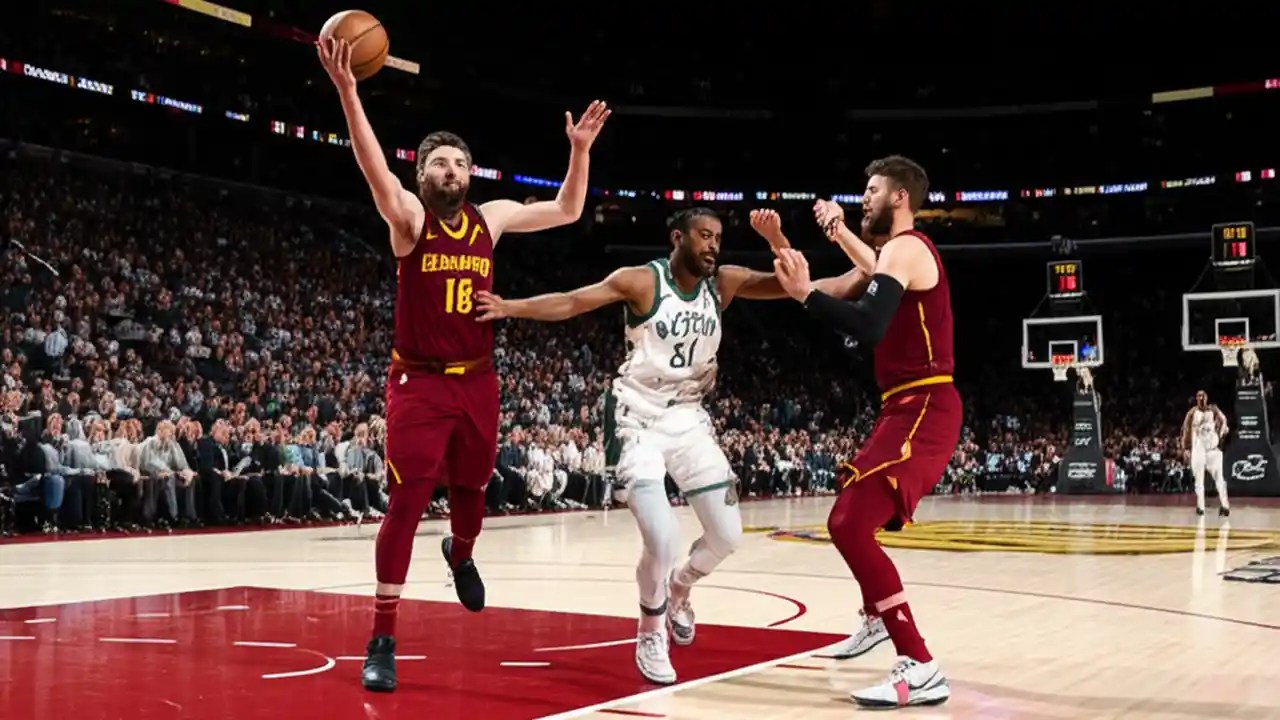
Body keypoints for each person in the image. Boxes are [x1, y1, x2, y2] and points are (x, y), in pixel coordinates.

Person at [316, 37, 611, 693]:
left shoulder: (494, 217)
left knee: (474, 494)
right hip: (417, 383)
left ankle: (461, 552)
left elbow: (566, 210)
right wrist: (348, 92)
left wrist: (579, 152)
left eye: (459, 163)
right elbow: (372, 171)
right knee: (406, 502)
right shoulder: (409, 219)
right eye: (439, 163)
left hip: (478, 381)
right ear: (420, 175)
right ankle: (383, 635)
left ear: (470, 175)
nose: (451, 171)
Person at [475, 207, 861, 684]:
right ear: (677, 237)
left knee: (728, 536)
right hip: (635, 418)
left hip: (688, 419)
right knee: (662, 538)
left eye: (718, 237)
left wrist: (786, 239)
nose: (713, 245)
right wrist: (511, 306)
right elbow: (574, 301)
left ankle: (679, 588)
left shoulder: (725, 283)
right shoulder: (641, 281)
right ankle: (650, 630)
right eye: (704, 235)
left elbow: (801, 285)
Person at [770, 155, 960, 708]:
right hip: (905, 406)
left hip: (925, 403)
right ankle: (877, 617)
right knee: (851, 518)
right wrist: (838, 233)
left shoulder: (909, 247)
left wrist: (807, 294)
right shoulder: (896, 255)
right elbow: (873, 263)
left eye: (872, 190)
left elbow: (870, 324)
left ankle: (920, 663)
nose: (864, 197)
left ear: (900, 197)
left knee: (849, 522)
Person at [1181, 390, 1230, 517]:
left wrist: (1221, 433)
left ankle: (1225, 505)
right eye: (1199, 396)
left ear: (1207, 398)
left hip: (1213, 449)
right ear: (1196, 398)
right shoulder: (1192, 413)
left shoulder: (1213, 410)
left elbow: (1224, 421)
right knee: (1199, 480)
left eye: (1203, 396)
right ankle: (1201, 507)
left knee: (1219, 479)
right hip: (1198, 450)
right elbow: (1185, 430)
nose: (1201, 398)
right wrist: (1185, 448)